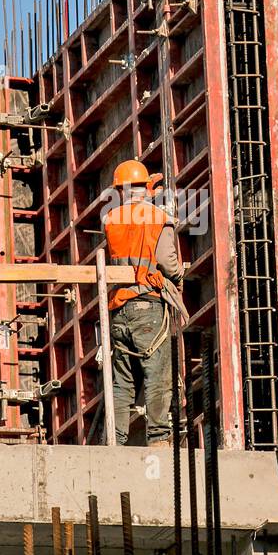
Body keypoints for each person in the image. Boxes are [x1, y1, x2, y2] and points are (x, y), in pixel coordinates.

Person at [102, 159, 184, 446]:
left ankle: (114, 441)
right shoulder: (157, 218)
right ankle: (160, 441)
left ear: (121, 191)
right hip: (148, 307)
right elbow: (167, 263)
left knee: (122, 382)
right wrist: (179, 273)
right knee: (157, 378)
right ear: (147, 188)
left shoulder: (111, 220)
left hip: (119, 311)